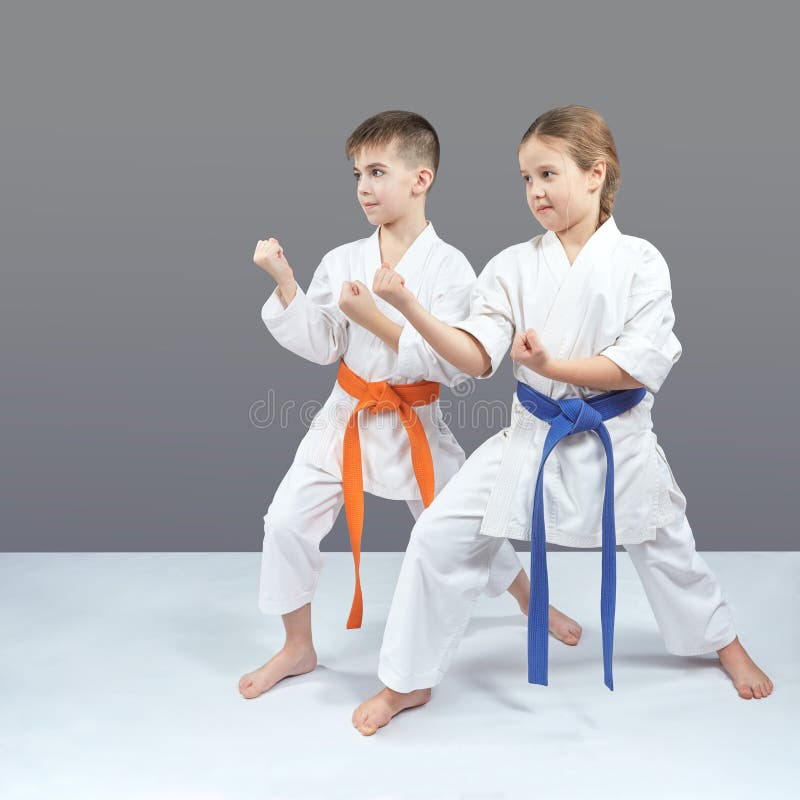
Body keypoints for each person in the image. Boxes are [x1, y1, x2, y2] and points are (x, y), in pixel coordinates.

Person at [351, 104, 773, 735]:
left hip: (616, 439)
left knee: (667, 547)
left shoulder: (640, 261)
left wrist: (555, 365)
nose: (535, 191)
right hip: (533, 435)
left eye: (548, 174)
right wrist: (411, 307)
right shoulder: (513, 265)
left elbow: (638, 364)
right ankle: (406, 680)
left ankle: (725, 643)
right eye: (526, 179)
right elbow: (477, 355)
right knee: (438, 534)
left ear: (596, 174)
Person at [239, 110, 581, 700]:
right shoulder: (343, 259)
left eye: (377, 172)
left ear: (421, 179)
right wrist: (286, 283)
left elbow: (456, 365)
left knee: (472, 527)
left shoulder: (451, 269)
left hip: (413, 423)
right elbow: (323, 344)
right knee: (285, 522)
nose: (363, 187)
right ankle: (297, 646)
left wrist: (377, 315)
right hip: (345, 418)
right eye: (357, 175)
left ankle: (531, 600)